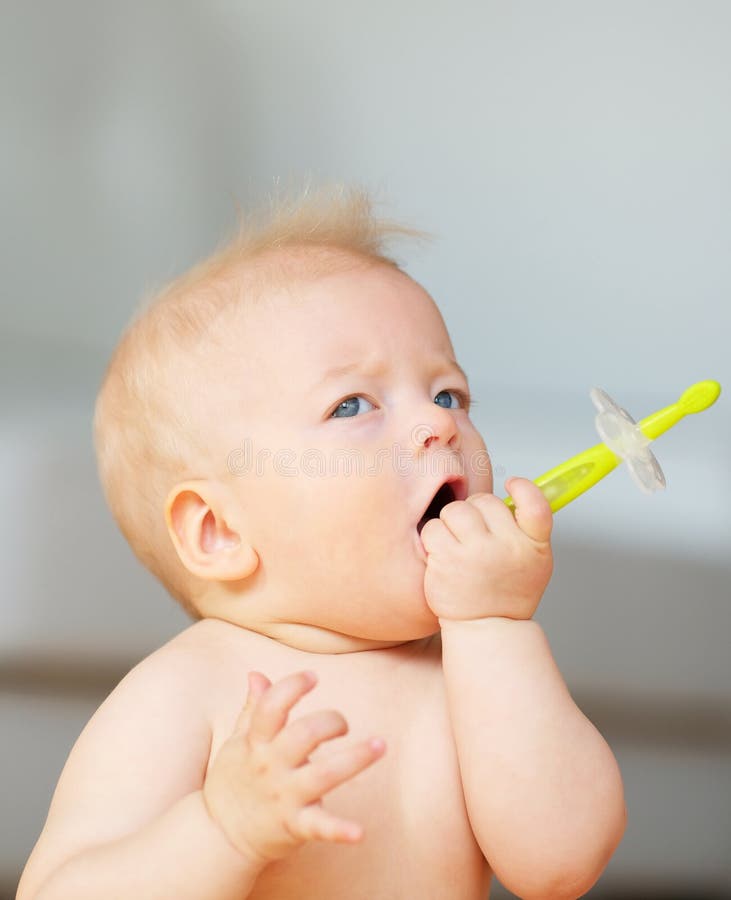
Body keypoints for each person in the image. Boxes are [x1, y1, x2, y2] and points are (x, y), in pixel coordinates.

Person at [17, 185, 626, 900]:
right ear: (219, 531)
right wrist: (222, 831)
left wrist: (495, 626)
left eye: (447, 394)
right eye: (352, 404)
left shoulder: (472, 678)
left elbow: (561, 864)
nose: (439, 426)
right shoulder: (188, 691)